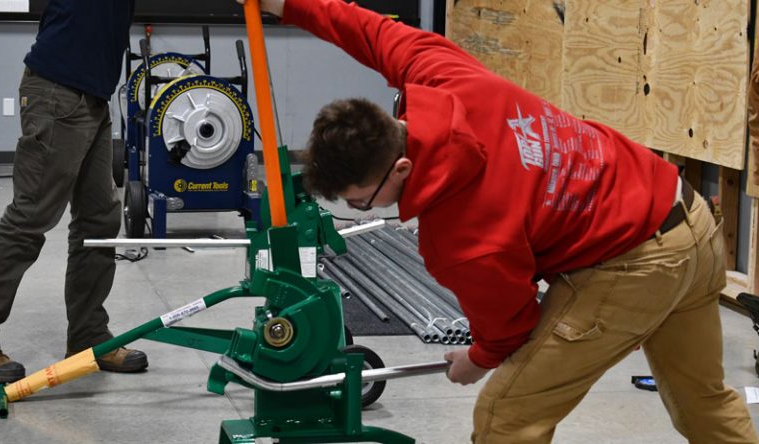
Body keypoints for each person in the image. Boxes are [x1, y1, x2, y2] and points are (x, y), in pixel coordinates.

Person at [239, 0, 759, 442]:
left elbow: (511, 325)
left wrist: (477, 359)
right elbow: (370, 31)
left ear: (401, 167)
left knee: (506, 417)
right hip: (687, 215)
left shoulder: (461, 241)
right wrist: (289, 5)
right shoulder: (442, 76)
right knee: (704, 403)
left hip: (632, 268)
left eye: (362, 201)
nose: (364, 211)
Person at [0, 0, 148, 383]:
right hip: (57, 92)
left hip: (91, 96)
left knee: (99, 218)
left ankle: (88, 335)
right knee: (31, 216)